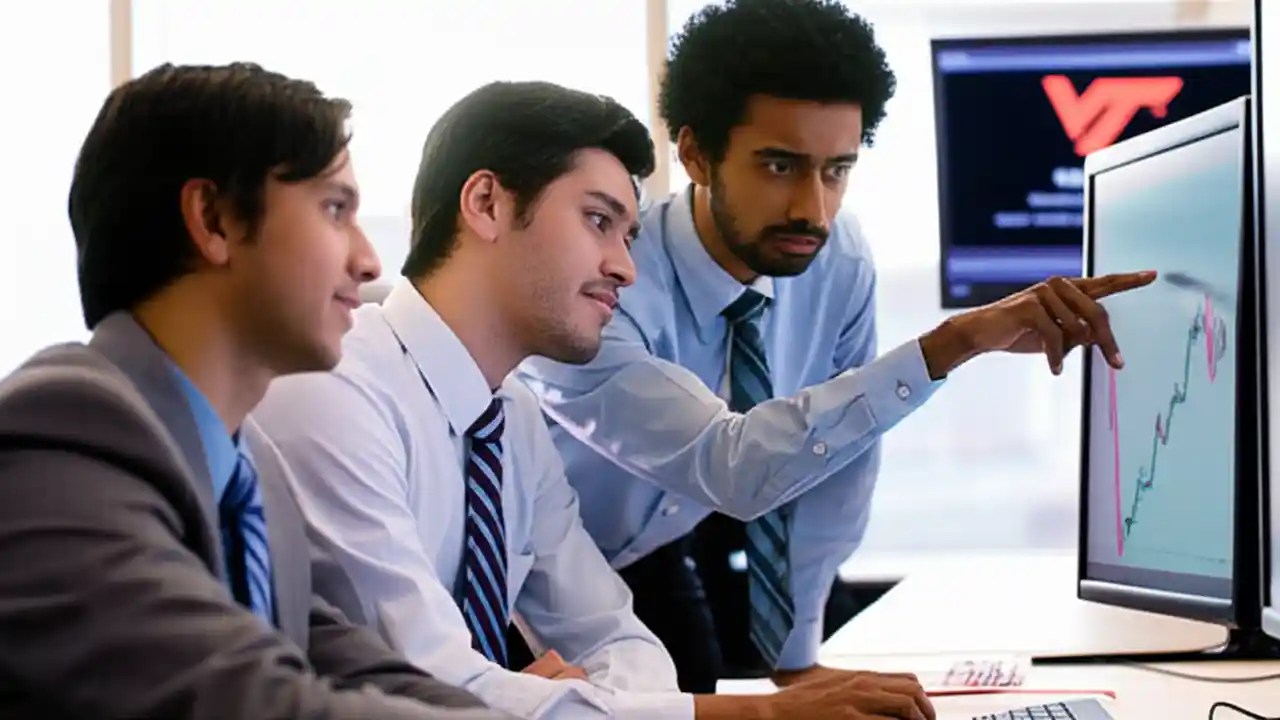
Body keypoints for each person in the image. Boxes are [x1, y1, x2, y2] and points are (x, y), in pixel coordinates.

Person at [514, 0, 1156, 693]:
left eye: (836, 170)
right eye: (779, 167)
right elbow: (729, 464)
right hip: (517, 579)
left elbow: (837, 471)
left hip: (657, 554)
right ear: (696, 154)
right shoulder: (606, 284)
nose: (813, 211)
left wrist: (799, 662)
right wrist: (958, 340)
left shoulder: (837, 258)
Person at [253, 80, 938, 720]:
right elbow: (433, 688)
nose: (624, 267)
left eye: (629, 234)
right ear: (487, 204)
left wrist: (572, 706)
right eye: (597, 221)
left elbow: (620, 638)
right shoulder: (337, 391)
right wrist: (755, 713)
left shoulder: (509, 421)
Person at [0, 62, 512, 720]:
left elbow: (349, 663)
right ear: (213, 219)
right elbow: (254, 702)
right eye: (334, 209)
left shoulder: (250, 475)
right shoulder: (62, 440)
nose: (369, 260)